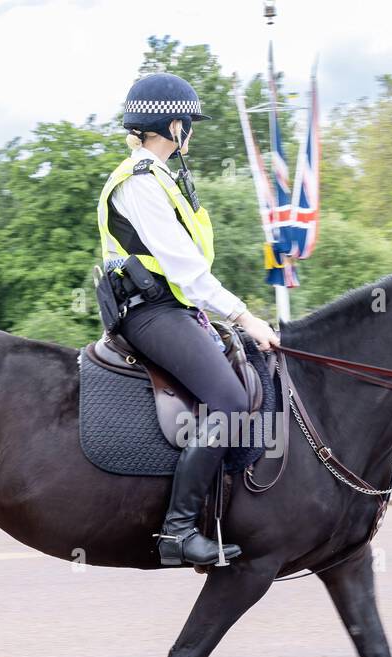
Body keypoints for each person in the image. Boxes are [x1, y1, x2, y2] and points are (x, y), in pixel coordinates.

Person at [97, 72, 278, 566]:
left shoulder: (160, 179)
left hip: (174, 309)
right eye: (187, 124)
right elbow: (186, 270)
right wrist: (247, 317)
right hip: (152, 312)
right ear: (173, 126)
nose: (190, 132)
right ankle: (178, 530)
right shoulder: (139, 184)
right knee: (229, 399)